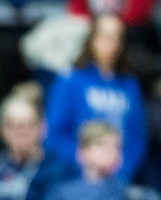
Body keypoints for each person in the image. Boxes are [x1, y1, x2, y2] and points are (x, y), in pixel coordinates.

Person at [44, 17, 146, 183]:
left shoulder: (129, 84)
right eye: (106, 36)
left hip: (118, 177)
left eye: (117, 38)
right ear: (92, 39)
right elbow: (55, 134)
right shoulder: (70, 80)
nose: (112, 44)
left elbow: (137, 136)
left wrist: (122, 170)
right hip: (77, 175)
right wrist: (85, 163)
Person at [0, 93, 76, 200]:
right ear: (3, 130)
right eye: (17, 126)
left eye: (30, 125)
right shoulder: (2, 167)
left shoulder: (59, 171)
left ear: (42, 128)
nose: (24, 132)